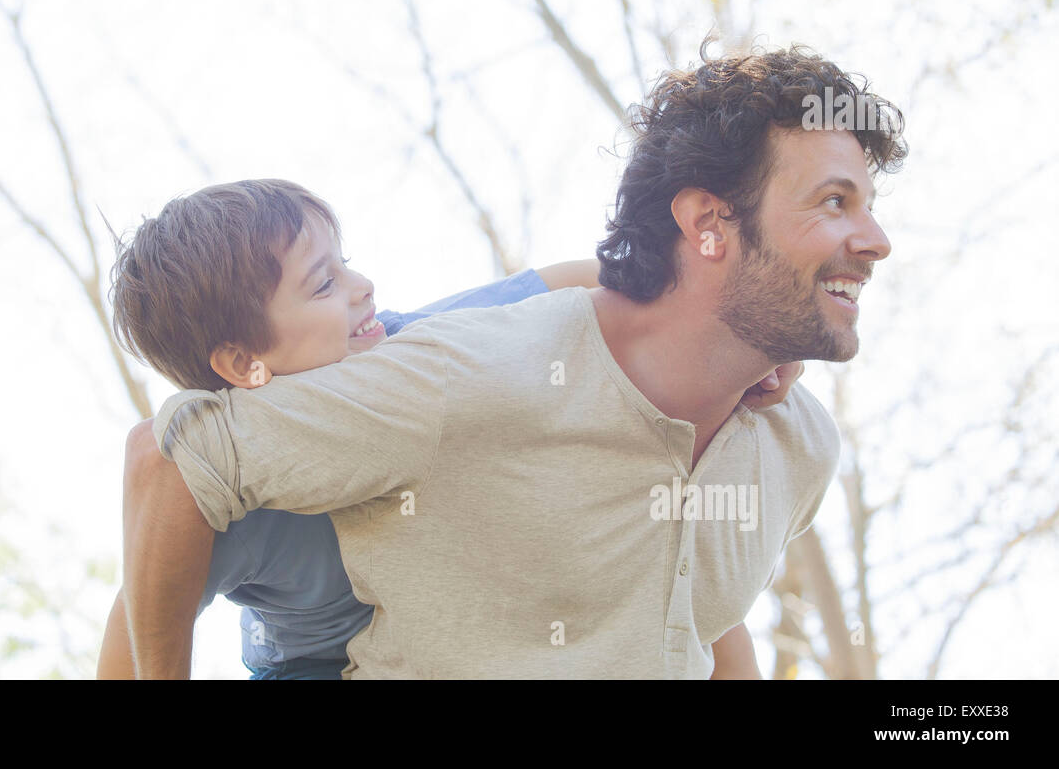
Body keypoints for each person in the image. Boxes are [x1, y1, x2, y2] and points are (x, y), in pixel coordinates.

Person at [127, 42, 907, 678]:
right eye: (835, 202)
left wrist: (750, 341)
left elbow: (696, 620)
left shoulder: (795, 446)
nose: (876, 240)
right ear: (707, 221)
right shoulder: (440, 378)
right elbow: (162, 463)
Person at [96, 178, 805, 678]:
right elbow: (142, 596)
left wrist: (737, 332)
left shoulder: (418, 350)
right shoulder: (233, 496)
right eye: (322, 284)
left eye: (344, 262)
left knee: (676, 567)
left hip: (484, 613)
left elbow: (575, 286)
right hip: (330, 666)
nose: (362, 285)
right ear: (244, 362)